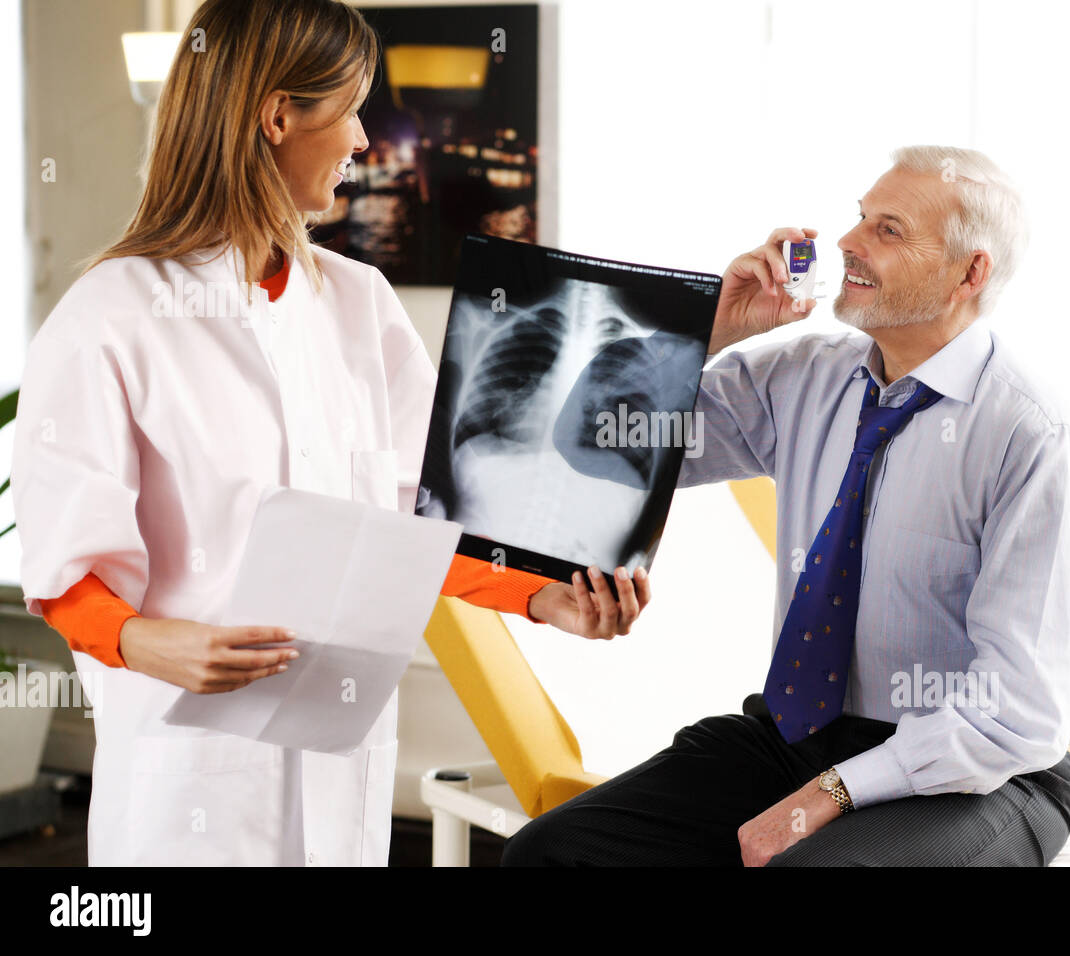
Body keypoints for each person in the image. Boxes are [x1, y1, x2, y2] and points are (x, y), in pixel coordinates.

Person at [10, 0, 648, 867]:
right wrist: (151, 643)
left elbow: (417, 520)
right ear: (277, 116)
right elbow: (64, 567)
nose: (362, 139)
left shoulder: (358, 304)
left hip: (339, 760)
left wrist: (540, 596)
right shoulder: (110, 316)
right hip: (191, 774)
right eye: (349, 109)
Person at [502, 145, 1070, 867]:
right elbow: (594, 435)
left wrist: (831, 794)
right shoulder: (802, 376)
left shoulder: (1031, 434)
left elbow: (1016, 713)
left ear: (969, 272)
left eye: (888, 229)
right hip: (795, 735)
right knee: (552, 854)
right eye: (858, 219)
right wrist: (714, 326)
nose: (849, 241)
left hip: (982, 771)